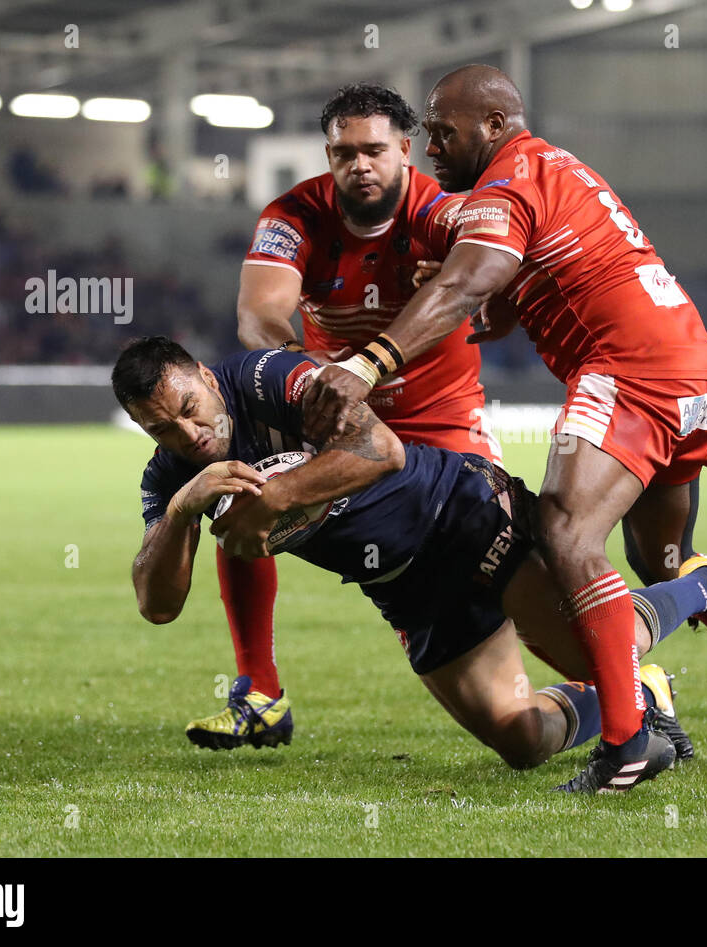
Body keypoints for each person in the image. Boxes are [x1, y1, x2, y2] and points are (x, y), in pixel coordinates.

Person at [297, 64, 707, 793]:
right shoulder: (551, 169)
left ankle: (627, 743)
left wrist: (370, 361)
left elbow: (469, 287)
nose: (432, 147)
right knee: (661, 561)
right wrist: (465, 286)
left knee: (564, 534)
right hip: (689, 369)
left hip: (631, 371)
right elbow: (496, 308)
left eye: (444, 131)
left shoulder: (507, 181)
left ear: (494, 126)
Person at [113, 336, 707, 787]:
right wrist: (181, 511)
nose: (190, 433)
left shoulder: (267, 376)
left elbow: (382, 450)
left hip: (461, 514)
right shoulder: (172, 475)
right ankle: (645, 694)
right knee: (522, 740)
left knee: (597, 639)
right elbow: (157, 603)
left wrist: (274, 497)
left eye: (190, 407)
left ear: (204, 376)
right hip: (406, 591)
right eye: (162, 427)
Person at [190, 83, 498, 750]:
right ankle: (261, 692)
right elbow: (260, 314)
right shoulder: (293, 214)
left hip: (441, 419)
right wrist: (299, 369)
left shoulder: (443, 213)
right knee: (247, 489)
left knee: (497, 565)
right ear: (328, 155)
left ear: (406, 151)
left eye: (374, 150)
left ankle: (623, 674)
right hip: (336, 418)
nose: (360, 164)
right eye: (344, 152)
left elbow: (500, 272)